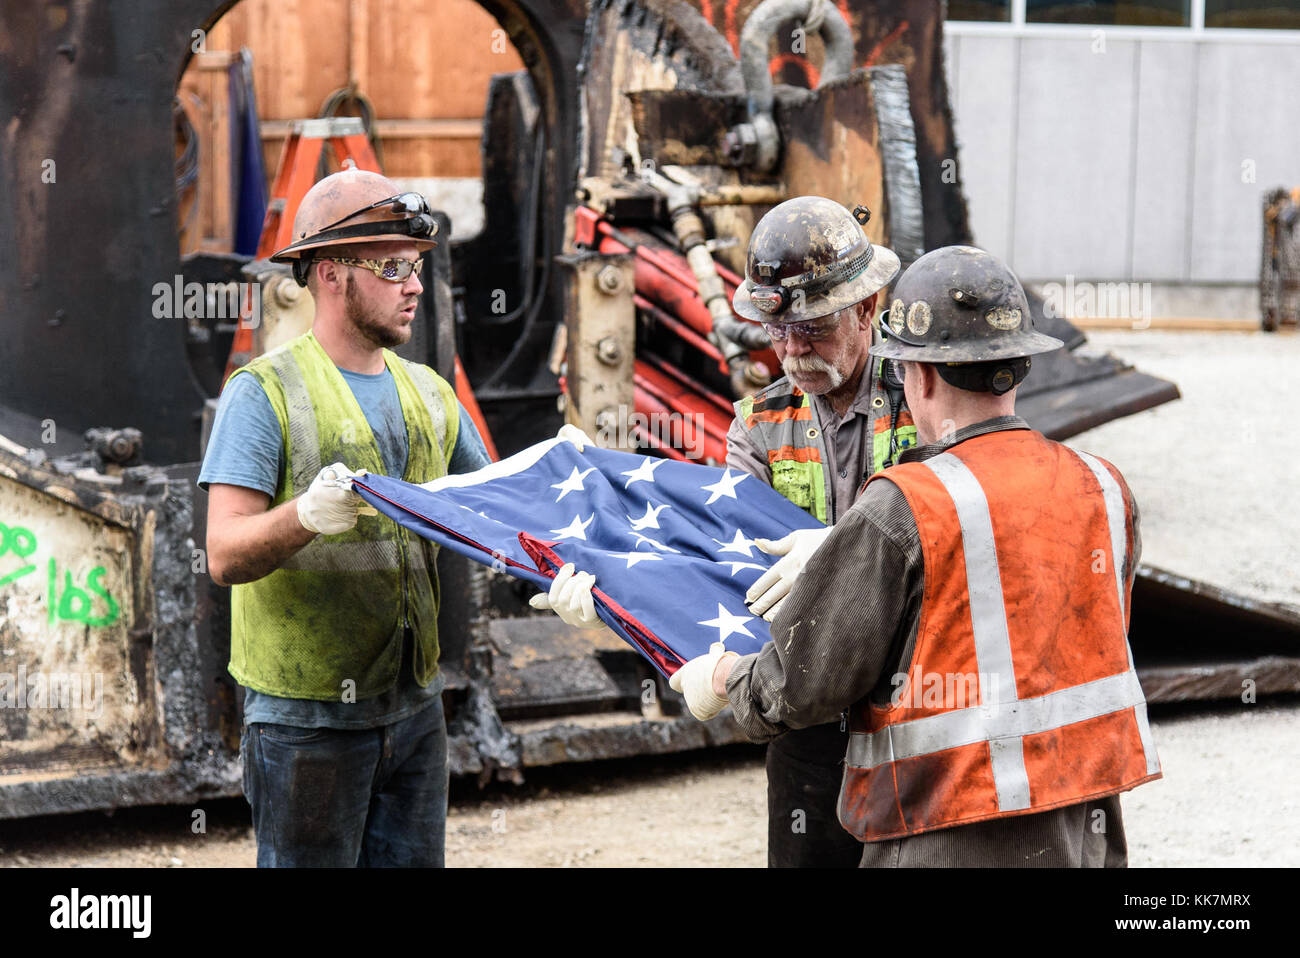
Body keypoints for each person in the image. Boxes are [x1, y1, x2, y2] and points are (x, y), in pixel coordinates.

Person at [673, 245, 1163, 867]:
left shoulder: (905, 505)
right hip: (1078, 822)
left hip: (942, 818)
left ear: (920, 375)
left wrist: (720, 680)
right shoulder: (1106, 486)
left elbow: (800, 684)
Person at [534, 196, 917, 867]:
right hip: (810, 709)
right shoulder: (760, 425)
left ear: (866, 307)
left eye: (814, 329)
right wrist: (615, 592)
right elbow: (714, 560)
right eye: (778, 331)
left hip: (917, 707)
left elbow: (963, 533)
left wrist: (840, 552)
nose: (793, 352)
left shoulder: (927, 398)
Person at [199, 168, 491, 867]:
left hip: (415, 711)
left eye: (416, 265)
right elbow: (224, 554)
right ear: (330, 275)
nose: (415, 285)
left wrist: (563, 561)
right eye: (392, 266)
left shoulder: (429, 392)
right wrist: (305, 514)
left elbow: (497, 507)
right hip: (306, 721)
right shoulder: (262, 393)